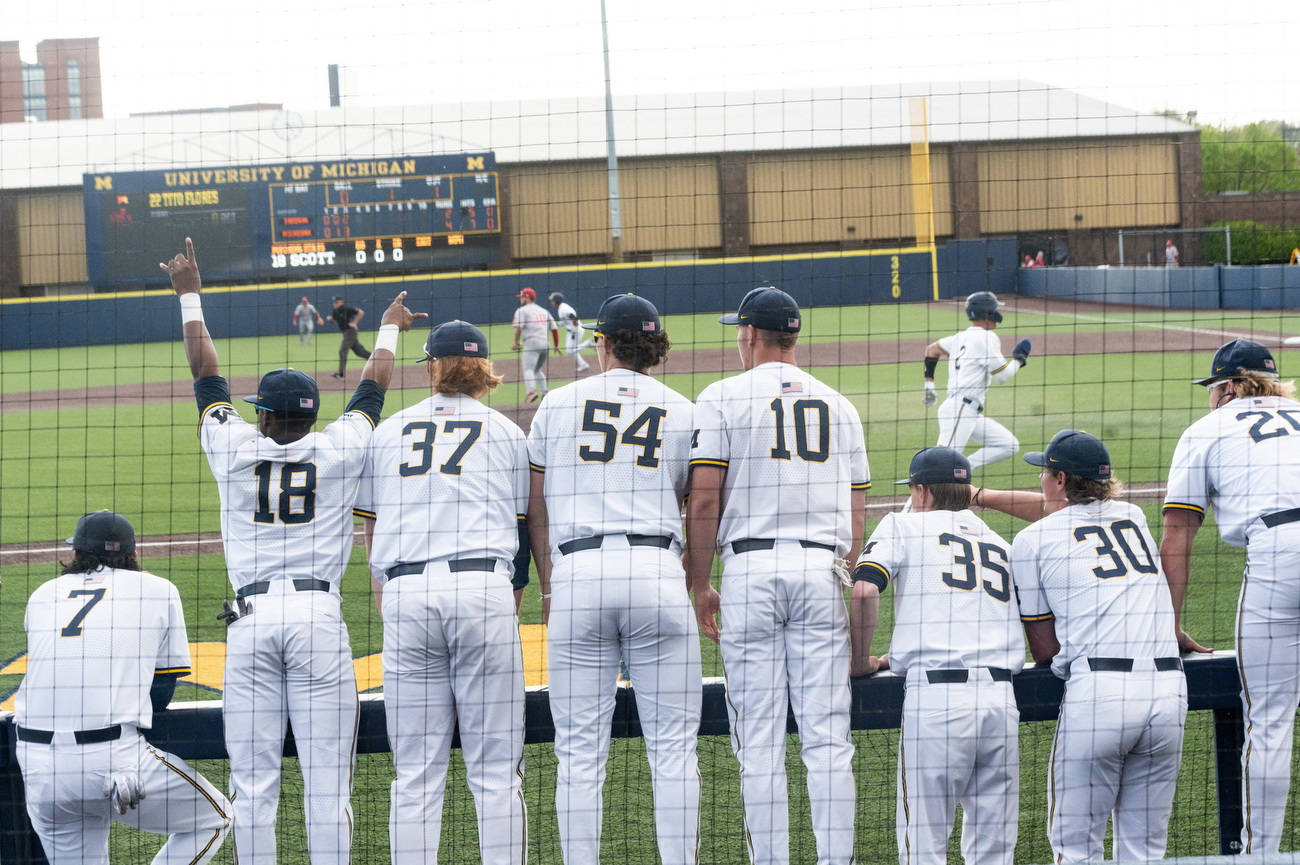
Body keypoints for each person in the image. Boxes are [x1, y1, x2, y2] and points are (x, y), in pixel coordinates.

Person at [162, 237, 423, 865]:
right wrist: (388, 329)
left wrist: (189, 293)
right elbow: (372, 386)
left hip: (249, 624)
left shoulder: (231, 446)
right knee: (327, 786)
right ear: (308, 415)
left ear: (264, 416)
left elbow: (205, 374)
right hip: (317, 620)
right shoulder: (338, 448)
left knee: (252, 788)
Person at [685, 285, 867, 865]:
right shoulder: (840, 404)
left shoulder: (722, 395)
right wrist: (837, 573)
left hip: (752, 572)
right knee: (829, 741)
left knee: (758, 744)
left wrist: (699, 583)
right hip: (821, 571)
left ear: (750, 334)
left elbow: (704, 502)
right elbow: (858, 518)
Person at [528, 293, 701, 864]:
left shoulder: (557, 402)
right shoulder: (683, 407)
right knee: (674, 751)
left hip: (578, 573)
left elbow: (536, 504)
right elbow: (695, 500)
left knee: (578, 755)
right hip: (657, 571)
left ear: (601, 342)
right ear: (656, 347)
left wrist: (550, 585)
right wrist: (696, 583)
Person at [353, 320, 531, 865]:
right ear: (483, 370)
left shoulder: (387, 432)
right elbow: (523, 531)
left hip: (407, 594)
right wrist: (510, 600)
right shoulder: (506, 433)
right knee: (496, 770)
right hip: (483, 589)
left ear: (433, 367)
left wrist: (388, 590)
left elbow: (371, 528)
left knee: (415, 773)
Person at [977, 430, 1186, 863]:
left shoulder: (1029, 542)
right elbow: (1069, 517)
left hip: (1100, 700)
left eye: (1045, 473)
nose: (1041, 481)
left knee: (1075, 846)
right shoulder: (1134, 515)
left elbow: (1044, 650)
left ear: (1059, 479)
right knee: (1145, 848)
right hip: (1169, 694)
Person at [14, 510, 231, 865]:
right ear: (131, 553)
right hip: (114, 761)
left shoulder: (42, 594)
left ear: (77, 552)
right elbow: (161, 694)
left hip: (38, 768)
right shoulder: (158, 589)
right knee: (217, 818)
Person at [850, 447, 1021, 865]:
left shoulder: (903, 526)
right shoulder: (1002, 544)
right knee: (994, 852)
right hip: (1002, 704)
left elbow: (863, 590)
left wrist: (862, 661)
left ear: (922, 491)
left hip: (938, 705)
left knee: (923, 848)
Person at [1161, 338, 1300, 854]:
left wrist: (1168, 623)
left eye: (1214, 387)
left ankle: (1258, 854)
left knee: (1269, 720)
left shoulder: (1207, 429)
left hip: (1279, 556)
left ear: (1232, 387)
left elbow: (1177, 536)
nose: (1211, 397)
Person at [922, 292, 1031, 472]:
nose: (998, 313)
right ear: (986, 312)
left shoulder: (959, 338)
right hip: (960, 410)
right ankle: (913, 501)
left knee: (1009, 444)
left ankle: (964, 468)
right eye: (995, 308)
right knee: (938, 468)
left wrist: (929, 384)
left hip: (967, 412)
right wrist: (1019, 360)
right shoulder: (986, 337)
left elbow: (932, 349)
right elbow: (1001, 377)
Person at [511, 286, 560, 402]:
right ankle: (545, 392)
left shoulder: (522, 310)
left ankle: (531, 392)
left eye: (522, 297)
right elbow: (554, 329)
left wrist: (516, 342)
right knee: (536, 369)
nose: (521, 299)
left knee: (528, 369)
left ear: (527, 298)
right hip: (546, 345)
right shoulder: (544, 311)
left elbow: (518, 328)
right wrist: (556, 345)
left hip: (532, 342)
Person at [327, 296, 371, 378]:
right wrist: (330, 319)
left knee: (342, 351)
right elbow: (333, 320)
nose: (334, 304)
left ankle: (340, 373)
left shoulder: (346, 309)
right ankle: (376, 360)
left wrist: (355, 322)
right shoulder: (335, 311)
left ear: (341, 302)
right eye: (333, 302)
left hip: (351, 332)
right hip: (346, 333)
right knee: (359, 351)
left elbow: (360, 312)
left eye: (336, 302)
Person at [549, 291, 592, 372]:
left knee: (570, 350)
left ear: (556, 301)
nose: (552, 302)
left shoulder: (563, 308)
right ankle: (583, 365)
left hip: (576, 330)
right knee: (570, 350)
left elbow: (574, 317)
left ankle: (587, 344)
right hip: (572, 330)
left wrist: (575, 328)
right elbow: (565, 321)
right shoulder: (561, 308)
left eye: (552, 300)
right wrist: (556, 325)